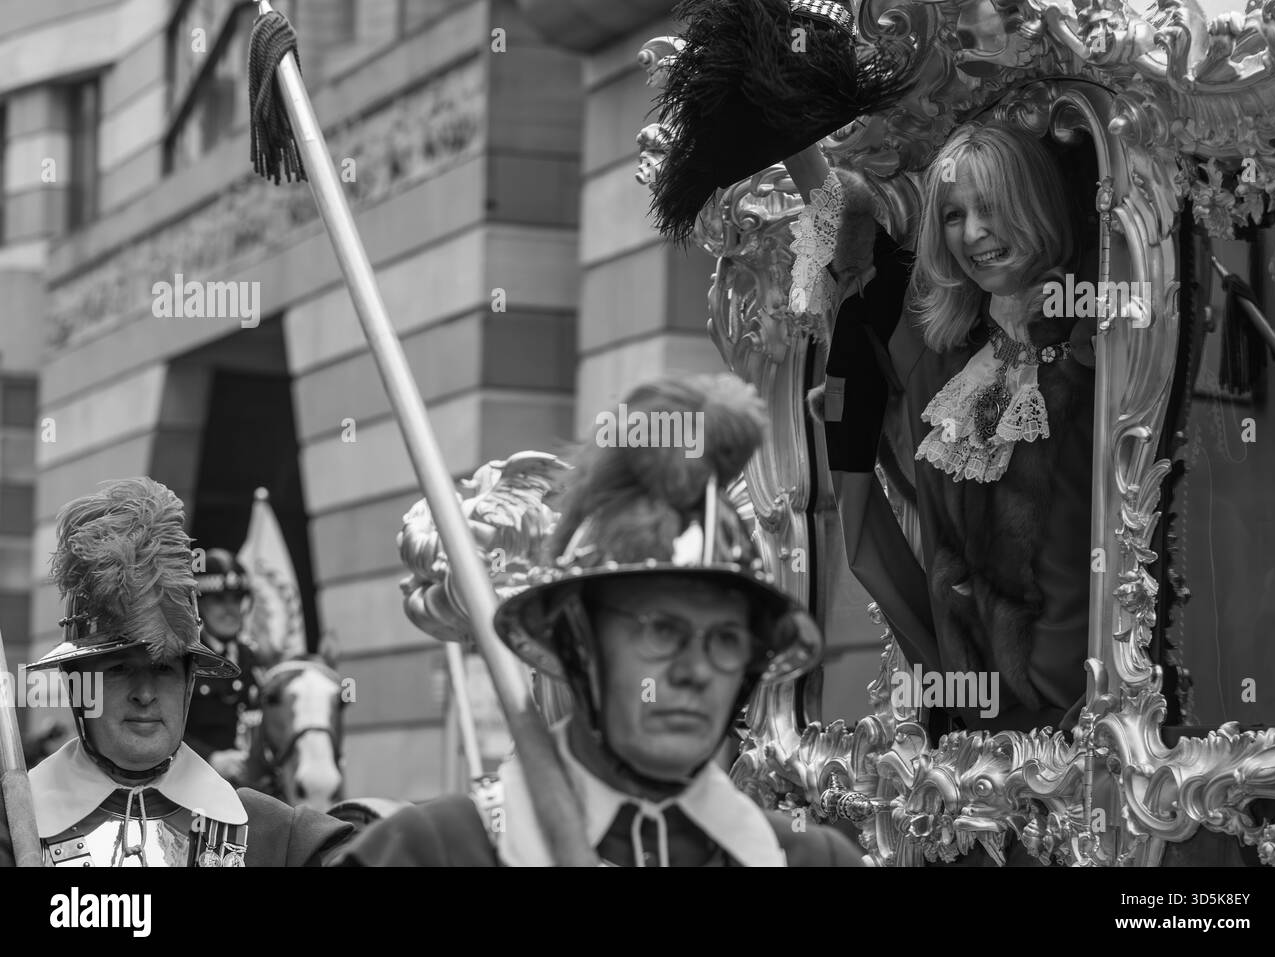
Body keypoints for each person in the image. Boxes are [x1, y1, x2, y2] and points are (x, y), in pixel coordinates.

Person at [336, 373, 865, 866]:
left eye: (726, 638)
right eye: (661, 630)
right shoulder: (429, 851)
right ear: (578, 642)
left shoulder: (811, 859)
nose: (696, 672)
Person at [817, 122, 1097, 737]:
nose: (973, 234)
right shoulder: (958, 354)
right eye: (952, 215)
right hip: (978, 713)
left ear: (1038, 204)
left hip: (1077, 713)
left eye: (992, 208)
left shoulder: (1093, 334)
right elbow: (855, 244)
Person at [0, 477, 351, 866]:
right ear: (77, 684)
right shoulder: (11, 826)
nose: (145, 693)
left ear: (188, 682)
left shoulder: (278, 835)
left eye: (164, 669)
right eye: (120, 669)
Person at [186, 548, 261, 783]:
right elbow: (162, 730)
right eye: (219, 600)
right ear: (200, 606)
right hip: (196, 787)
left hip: (252, 789)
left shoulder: (252, 658)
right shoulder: (183, 658)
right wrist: (211, 759)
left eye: (236, 599)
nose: (230, 609)